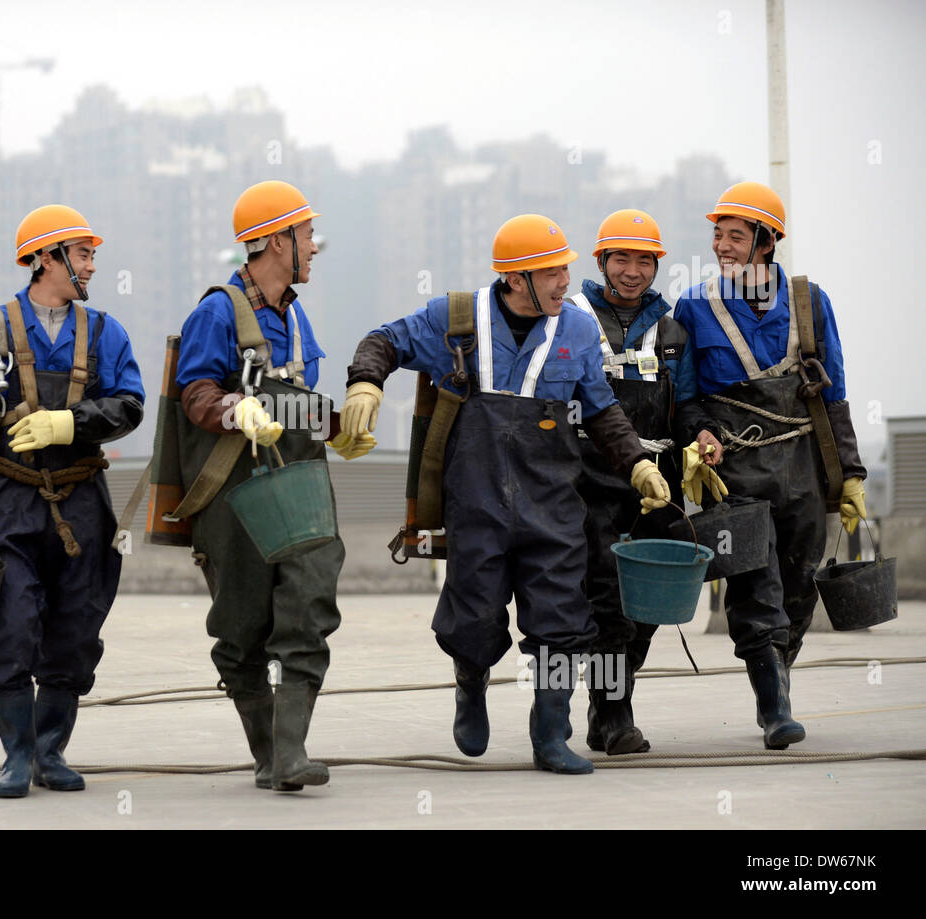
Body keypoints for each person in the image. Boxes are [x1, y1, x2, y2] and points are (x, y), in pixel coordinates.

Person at [343, 214, 671, 774]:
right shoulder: (456, 320)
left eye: (566, 270)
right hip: (477, 503)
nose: (565, 282)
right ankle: (470, 685)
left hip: (553, 505)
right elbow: (385, 340)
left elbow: (600, 408)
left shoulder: (576, 330)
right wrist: (366, 382)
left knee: (561, 621)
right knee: (473, 617)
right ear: (517, 279)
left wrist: (637, 462)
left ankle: (551, 733)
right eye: (552, 273)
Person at [0, 205, 143, 797]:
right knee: (12, 624)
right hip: (6, 501)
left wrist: (69, 423)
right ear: (47, 257)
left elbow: (129, 405)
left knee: (76, 628)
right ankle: (17, 754)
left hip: (81, 503)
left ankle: (51, 750)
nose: (92, 266)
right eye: (84, 254)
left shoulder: (105, 333)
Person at [174, 180, 360, 792]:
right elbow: (195, 393)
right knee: (241, 624)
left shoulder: (294, 315)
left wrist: (339, 428)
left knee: (310, 603)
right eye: (306, 234)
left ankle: (290, 752)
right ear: (277, 241)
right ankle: (267, 755)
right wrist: (236, 409)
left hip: (299, 484)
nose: (315, 246)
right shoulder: (217, 312)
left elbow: (296, 399)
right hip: (235, 491)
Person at [673, 181, 866, 749]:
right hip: (733, 467)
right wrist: (699, 435)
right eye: (718, 235)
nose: (722, 246)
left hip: (803, 467)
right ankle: (774, 709)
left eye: (735, 236)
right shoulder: (693, 307)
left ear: (766, 241)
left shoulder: (810, 302)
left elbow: (834, 394)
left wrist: (850, 473)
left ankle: (779, 674)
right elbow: (685, 397)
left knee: (799, 584)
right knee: (755, 584)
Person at [568, 209, 716, 755]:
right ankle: (612, 715)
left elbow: (688, 404)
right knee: (607, 600)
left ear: (657, 265)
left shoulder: (673, 331)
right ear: (600, 261)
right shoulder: (569, 318)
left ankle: (607, 705)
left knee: (649, 603)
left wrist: (702, 434)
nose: (632, 271)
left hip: (657, 489)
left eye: (644, 261)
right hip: (587, 482)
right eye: (621, 259)